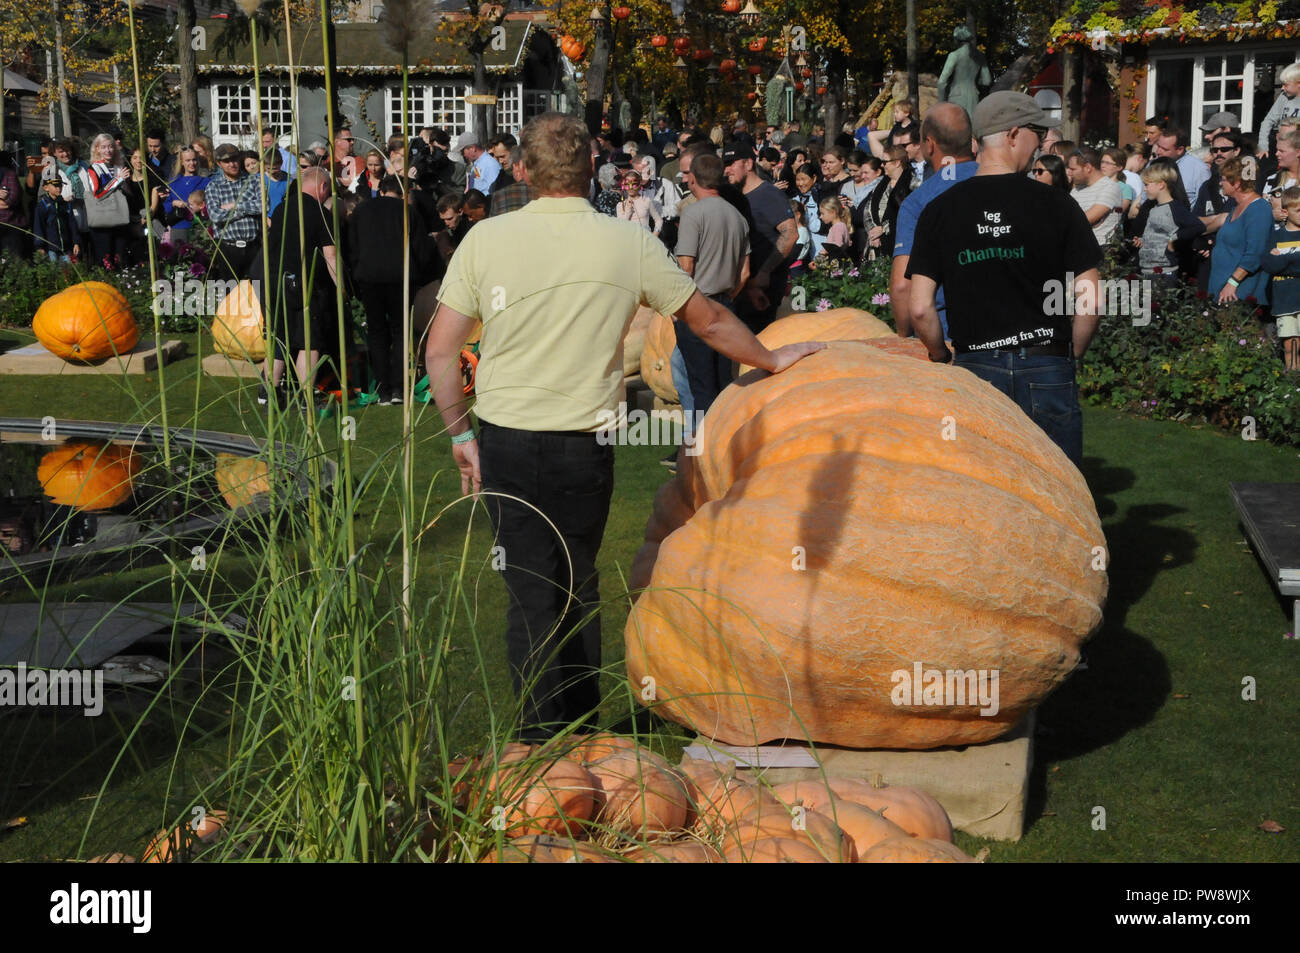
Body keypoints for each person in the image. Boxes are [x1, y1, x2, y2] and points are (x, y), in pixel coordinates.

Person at [423, 112, 822, 740]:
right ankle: (579, 734)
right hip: (586, 442)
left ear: (523, 171)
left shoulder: (486, 240)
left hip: (506, 437)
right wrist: (770, 358)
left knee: (531, 588)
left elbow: (440, 351)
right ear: (589, 169)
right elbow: (708, 320)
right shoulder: (626, 242)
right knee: (578, 580)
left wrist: (461, 436)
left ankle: (541, 741)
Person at [906, 91, 1101, 467]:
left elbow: (919, 307)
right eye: (1038, 133)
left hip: (976, 368)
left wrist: (939, 354)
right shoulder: (1059, 205)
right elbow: (1090, 299)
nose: (1043, 144)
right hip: (1046, 363)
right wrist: (1069, 353)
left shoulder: (939, 209)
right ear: (1013, 135)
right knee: (1059, 491)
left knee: (987, 493)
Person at [890, 102, 979, 338]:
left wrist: (904, 336)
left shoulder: (918, 202)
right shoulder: (1006, 185)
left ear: (929, 144)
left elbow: (902, 286)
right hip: (1007, 334)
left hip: (945, 337)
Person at [673, 151, 751, 418]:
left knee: (700, 388)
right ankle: (723, 449)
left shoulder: (693, 214)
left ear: (692, 178)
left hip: (696, 306)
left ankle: (702, 454)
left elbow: (686, 267)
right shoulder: (738, 217)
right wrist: (728, 298)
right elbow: (744, 272)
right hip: (726, 306)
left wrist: (677, 308)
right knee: (723, 387)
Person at [260, 166, 339, 405]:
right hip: (302, 284)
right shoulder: (319, 213)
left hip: (273, 280)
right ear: (323, 187)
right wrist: (341, 288)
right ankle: (307, 395)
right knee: (309, 340)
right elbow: (331, 256)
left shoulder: (281, 208)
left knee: (279, 337)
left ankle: (269, 394)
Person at [722, 143, 798, 333]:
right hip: (742, 286)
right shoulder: (735, 195)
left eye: (731, 164)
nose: (726, 170)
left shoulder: (768, 194)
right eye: (725, 164)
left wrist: (765, 271)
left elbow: (790, 234)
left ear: (748, 164)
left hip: (763, 288)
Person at [1209, 156, 1273, 305]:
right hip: (1221, 288)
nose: (1220, 183)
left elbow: (1255, 253)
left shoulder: (1259, 209)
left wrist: (1233, 282)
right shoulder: (1235, 208)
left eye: (1223, 179)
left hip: (1240, 293)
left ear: (1237, 184)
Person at [1131, 160, 1205, 280]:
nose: (1144, 189)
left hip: (1165, 271)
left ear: (1161, 184)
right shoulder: (1153, 208)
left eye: (1147, 184)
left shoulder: (1175, 208)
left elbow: (1198, 226)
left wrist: (1173, 238)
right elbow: (1156, 234)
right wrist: (1141, 240)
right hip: (1146, 269)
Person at [206, 142, 265, 281]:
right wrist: (247, 209)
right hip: (228, 247)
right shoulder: (214, 186)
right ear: (219, 164)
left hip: (253, 246)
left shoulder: (253, 181)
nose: (232, 164)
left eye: (234, 159)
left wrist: (235, 205)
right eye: (226, 161)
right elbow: (216, 216)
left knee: (256, 291)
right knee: (230, 293)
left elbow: (263, 205)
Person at [1260, 186, 1300, 371]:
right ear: (1285, 211)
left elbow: (1279, 263)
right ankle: (1293, 385)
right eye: (1298, 210)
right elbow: (1268, 264)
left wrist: (1283, 259)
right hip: (1284, 299)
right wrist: (1293, 259)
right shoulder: (1276, 236)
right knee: (1291, 345)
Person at [79, 133, 133, 269]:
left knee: (121, 258)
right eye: (103, 147)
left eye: (110, 147)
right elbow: (97, 193)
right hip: (102, 222)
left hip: (120, 218)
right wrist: (117, 180)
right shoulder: (93, 169)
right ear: (97, 149)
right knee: (105, 261)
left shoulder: (118, 167)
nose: (108, 150)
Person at [1067, 147, 1124, 246]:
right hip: (1077, 249)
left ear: (1088, 167)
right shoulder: (1076, 189)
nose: (1069, 173)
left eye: (1073, 169)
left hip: (1101, 251)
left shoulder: (1110, 188)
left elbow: (1085, 220)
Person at [863, 145, 912, 260]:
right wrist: (873, 232)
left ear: (897, 163)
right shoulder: (882, 183)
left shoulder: (911, 183)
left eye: (885, 162)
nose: (881, 165)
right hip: (874, 244)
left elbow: (907, 213)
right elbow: (868, 209)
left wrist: (884, 228)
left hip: (896, 243)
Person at [1154, 127, 1209, 210]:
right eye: (1158, 146)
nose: (1158, 152)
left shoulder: (1198, 169)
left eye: (1164, 149)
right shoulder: (1154, 164)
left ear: (1179, 150)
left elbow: (1204, 204)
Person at [33, 165, 79, 262]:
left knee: (68, 273)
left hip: (66, 248)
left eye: (60, 185)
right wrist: (39, 246)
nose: (59, 188)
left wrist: (76, 242)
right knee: (54, 273)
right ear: (46, 187)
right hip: (50, 249)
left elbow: (72, 224)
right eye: (55, 185)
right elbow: (38, 227)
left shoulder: (66, 205)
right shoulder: (42, 206)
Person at [1257, 63, 1300, 159]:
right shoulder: (1283, 97)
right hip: (1282, 149)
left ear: (1299, 84)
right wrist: (1263, 146)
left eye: (1286, 85)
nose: (1282, 88)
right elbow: (1268, 121)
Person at [162, 147, 209, 235]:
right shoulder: (173, 182)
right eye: (188, 160)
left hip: (199, 227)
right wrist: (174, 203)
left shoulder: (205, 182)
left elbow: (210, 205)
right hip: (178, 227)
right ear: (182, 162)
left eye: (194, 160)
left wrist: (199, 207)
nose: (192, 163)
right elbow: (166, 207)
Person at [615, 169, 663, 235]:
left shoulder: (646, 201)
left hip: (645, 241)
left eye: (634, 184)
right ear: (623, 186)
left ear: (640, 184)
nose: (630, 187)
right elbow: (621, 226)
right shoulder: (620, 205)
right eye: (627, 184)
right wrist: (628, 211)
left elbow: (658, 220)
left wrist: (654, 236)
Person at [0, 152, 29, 259]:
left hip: (11, 226)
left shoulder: (9, 175)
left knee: (12, 262)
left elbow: (11, 200)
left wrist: (5, 201)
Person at [489, 146, 532, 216]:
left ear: (518, 166)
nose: (500, 161)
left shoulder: (500, 196)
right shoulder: (547, 191)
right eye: (497, 158)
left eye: (502, 156)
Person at [818, 195, 852, 260]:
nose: (820, 217)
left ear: (833, 212)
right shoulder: (837, 226)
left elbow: (838, 245)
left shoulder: (838, 227)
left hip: (838, 264)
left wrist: (824, 251)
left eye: (822, 213)